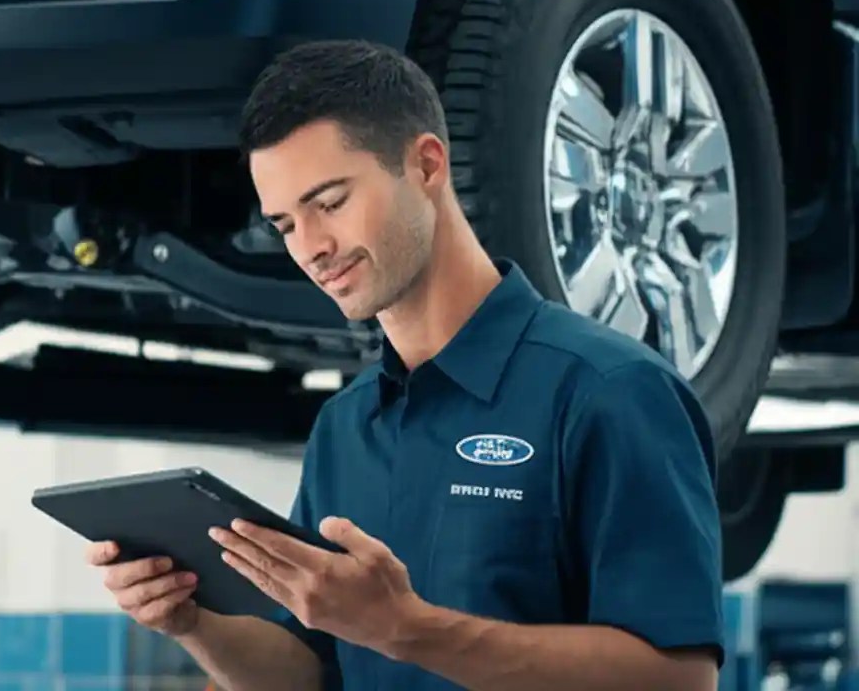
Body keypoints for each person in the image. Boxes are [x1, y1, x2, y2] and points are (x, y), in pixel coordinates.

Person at [85, 39, 725, 690]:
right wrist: (192, 621)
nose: (312, 248)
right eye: (285, 225)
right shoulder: (346, 426)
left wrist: (405, 628)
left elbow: (681, 681)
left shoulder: (610, 393)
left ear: (426, 165)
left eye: (330, 202)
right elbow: (313, 673)